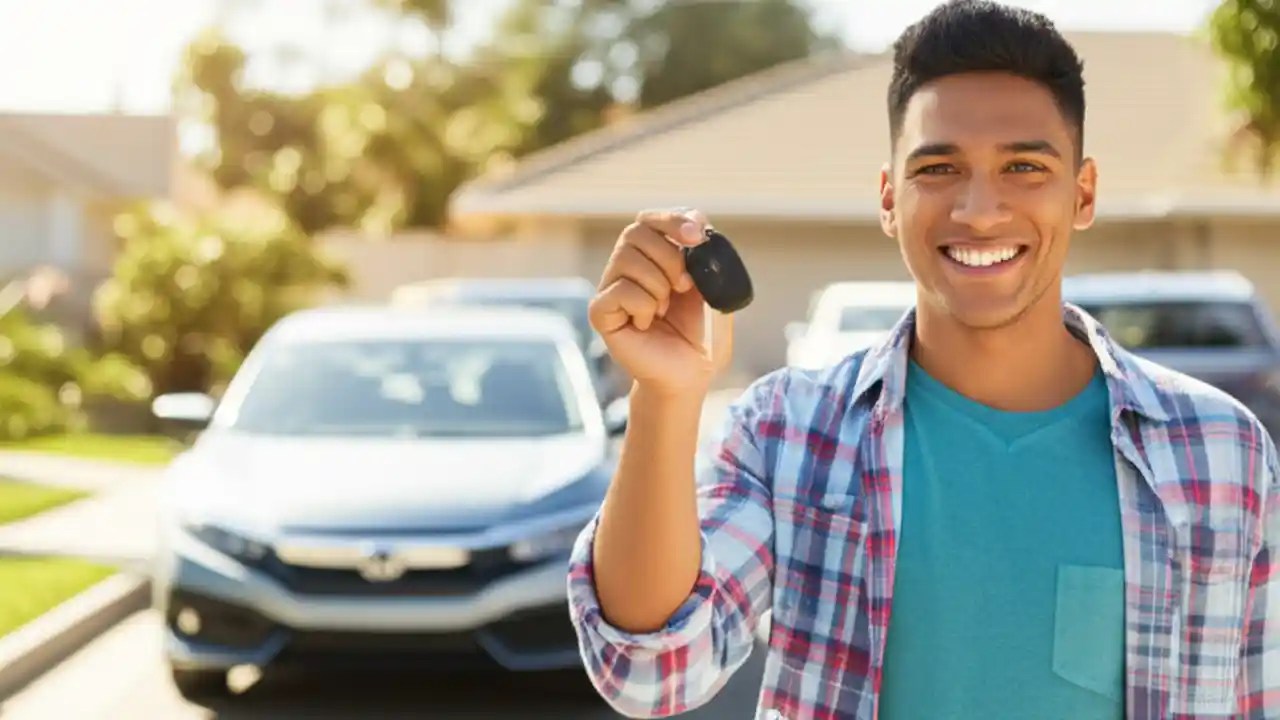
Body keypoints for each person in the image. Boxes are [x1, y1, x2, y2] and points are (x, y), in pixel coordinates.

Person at [567, 1, 1280, 718]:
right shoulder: (791, 431)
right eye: (939, 167)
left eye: (1025, 166)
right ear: (888, 198)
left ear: (1083, 192)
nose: (978, 209)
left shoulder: (1221, 452)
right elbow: (650, 672)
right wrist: (666, 393)